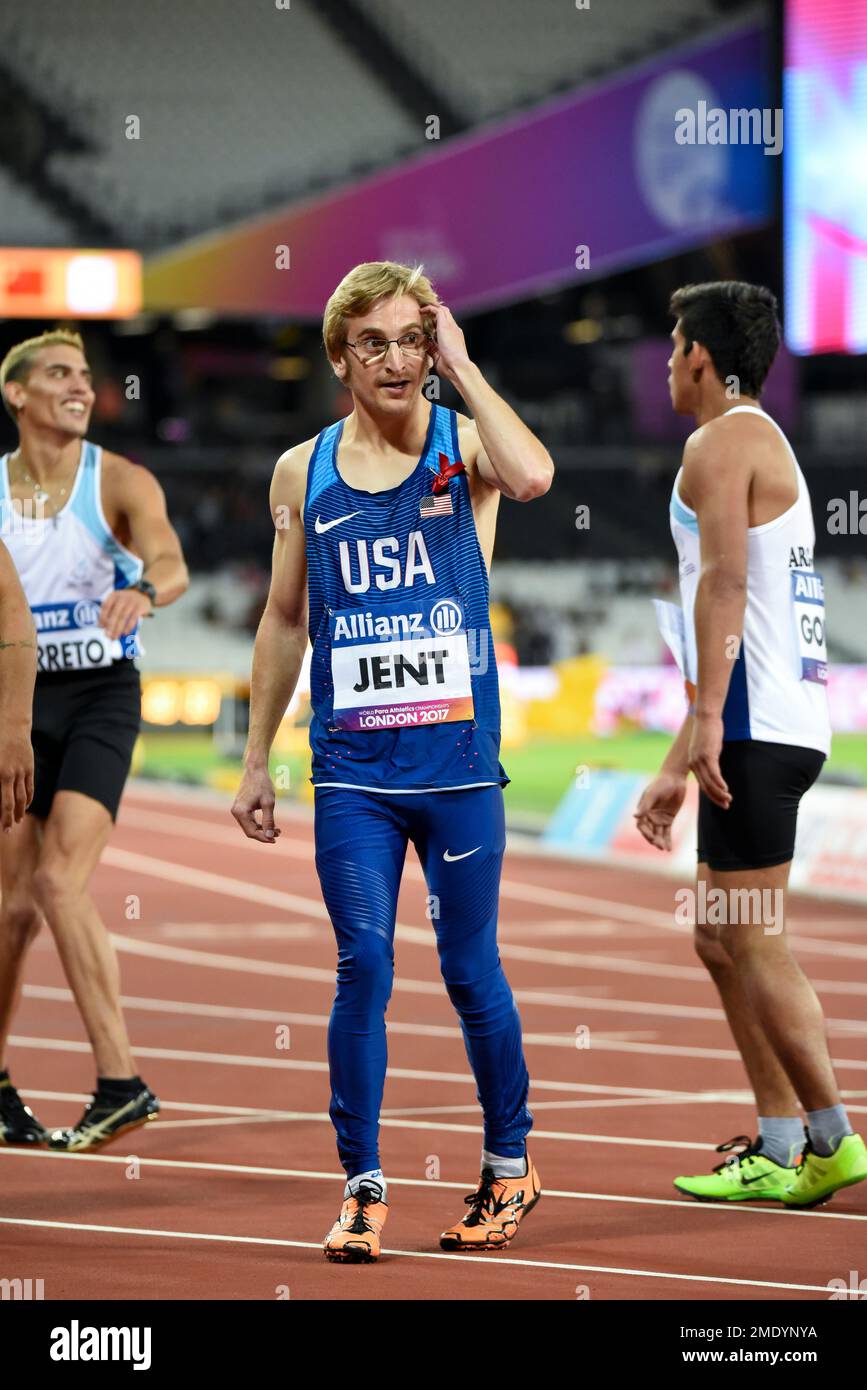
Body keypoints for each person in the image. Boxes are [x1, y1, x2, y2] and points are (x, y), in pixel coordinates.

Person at [232, 262, 553, 1261]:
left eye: (413, 339)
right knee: (362, 961)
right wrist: (254, 760)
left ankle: (510, 1166)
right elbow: (286, 617)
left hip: (457, 764)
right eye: (374, 342)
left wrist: (467, 363)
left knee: (469, 965)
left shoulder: (467, 445)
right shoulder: (303, 470)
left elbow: (536, 475)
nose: (397, 358)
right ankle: (363, 1186)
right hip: (354, 773)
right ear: (339, 356)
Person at [635, 282, 867, 1208]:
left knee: (752, 938)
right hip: (770, 717)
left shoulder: (723, 438)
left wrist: (704, 725)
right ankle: (778, 1141)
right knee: (719, 936)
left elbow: (725, 582)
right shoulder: (754, 440)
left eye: (671, 344)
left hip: (756, 721)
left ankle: (829, 1137)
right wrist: (672, 755)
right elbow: (725, 599)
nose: (662, 363)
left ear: (699, 354)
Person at [0, 328, 189, 1151]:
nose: (80, 386)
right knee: (9, 909)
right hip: (14, 698)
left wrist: (143, 590)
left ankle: (121, 1081)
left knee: (59, 879)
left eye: (85, 374)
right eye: (58, 374)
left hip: (98, 696)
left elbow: (172, 560)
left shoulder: (117, 478)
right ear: (16, 393)